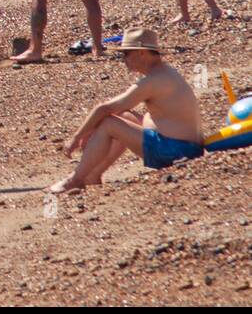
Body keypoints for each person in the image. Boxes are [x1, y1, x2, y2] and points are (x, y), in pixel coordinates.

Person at [48, 28, 204, 194]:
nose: (123, 59)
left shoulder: (153, 81)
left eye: (126, 54)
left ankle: (75, 180)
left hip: (176, 152)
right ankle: (93, 175)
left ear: (141, 53)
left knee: (109, 124)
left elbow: (104, 108)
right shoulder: (167, 72)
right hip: (186, 148)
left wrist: (77, 137)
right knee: (122, 115)